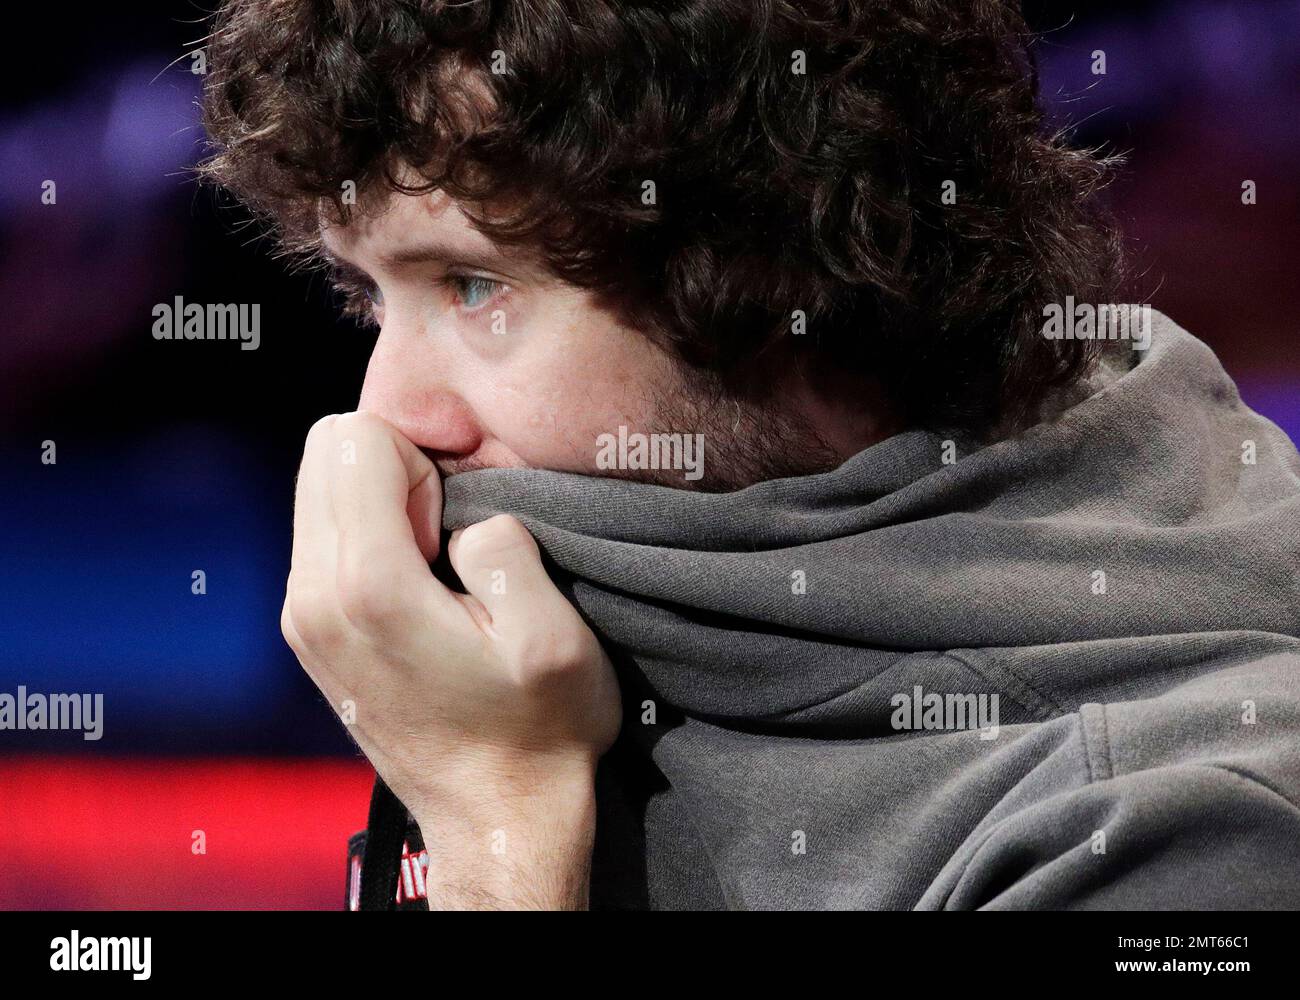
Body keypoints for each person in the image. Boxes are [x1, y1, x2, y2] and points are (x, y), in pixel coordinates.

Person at [200, 0, 1300, 909]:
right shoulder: (547, 635)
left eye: (473, 286)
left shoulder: (1190, 839)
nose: (383, 412)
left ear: (792, 294)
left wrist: (497, 833)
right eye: (365, 294)